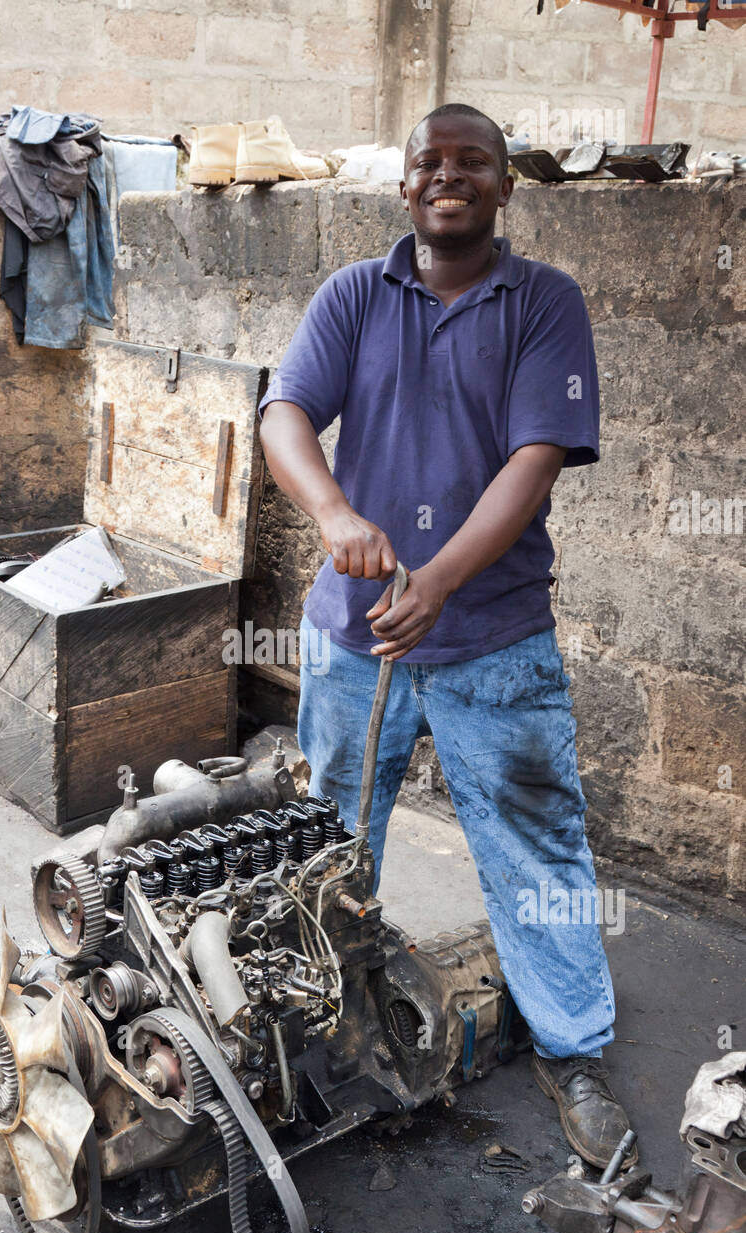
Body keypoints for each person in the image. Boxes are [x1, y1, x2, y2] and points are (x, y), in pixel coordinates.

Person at [258, 103, 633, 1169]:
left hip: (495, 642)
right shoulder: (350, 295)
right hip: (352, 637)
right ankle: (316, 1031)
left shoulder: (542, 303)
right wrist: (334, 518)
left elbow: (534, 459)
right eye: (429, 160)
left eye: (473, 161)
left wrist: (441, 582)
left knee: (536, 847)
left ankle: (574, 1053)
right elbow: (285, 412)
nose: (447, 174)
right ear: (405, 185)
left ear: (505, 187)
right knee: (327, 846)